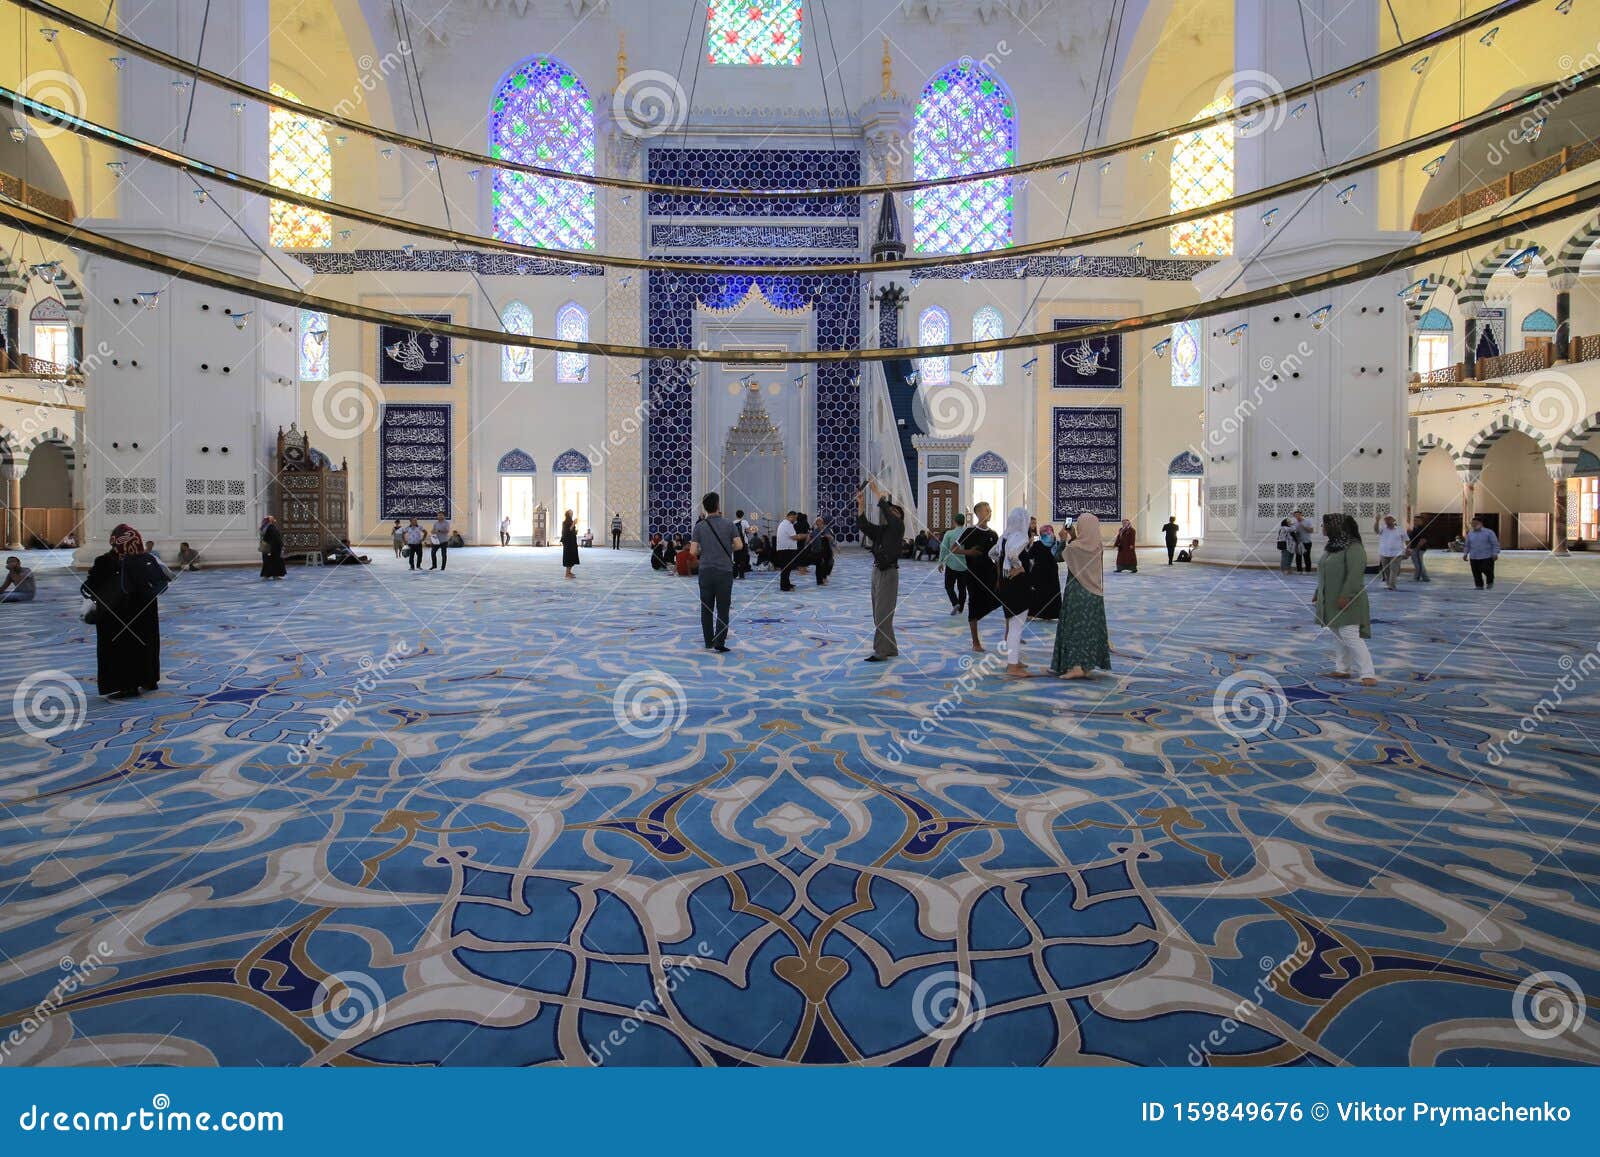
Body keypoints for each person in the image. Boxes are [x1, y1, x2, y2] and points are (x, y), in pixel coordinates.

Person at [80, 524, 162, 698]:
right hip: (145, 614)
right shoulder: (145, 559)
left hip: (116, 615)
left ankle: (127, 686)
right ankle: (149, 679)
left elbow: (92, 586)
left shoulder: (106, 561)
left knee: (121, 648)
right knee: (146, 643)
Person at [1313, 513, 1376, 684]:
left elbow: (1355, 575)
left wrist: (1346, 596)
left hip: (1348, 599)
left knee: (1349, 634)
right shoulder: (1332, 547)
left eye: (1325, 525)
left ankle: (1368, 673)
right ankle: (1342, 669)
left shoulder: (1354, 548)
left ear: (1336, 527)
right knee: (1339, 634)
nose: (1322, 528)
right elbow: (1325, 571)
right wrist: (1318, 592)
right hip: (1331, 599)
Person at [1051, 513, 1110, 680]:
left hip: (1077, 593)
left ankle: (1076, 666)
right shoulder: (1098, 546)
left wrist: (1063, 539)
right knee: (1090, 630)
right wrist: (1074, 537)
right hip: (1095, 594)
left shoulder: (1074, 547)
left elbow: (1058, 557)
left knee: (1075, 629)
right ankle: (1086, 666)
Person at [856, 479, 904, 662]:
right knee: (879, 613)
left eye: (895, 511)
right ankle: (890, 647)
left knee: (883, 613)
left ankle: (881, 651)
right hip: (876, 572)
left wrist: (878, 495)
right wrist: (861, 505)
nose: (891, 513)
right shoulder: (882, 531)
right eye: (890, 510)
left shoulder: (898, 527)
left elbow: (890, 515)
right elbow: (864, 526)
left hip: (889, 573)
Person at [689, 491, 743, 653]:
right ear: (718, 505)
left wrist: (704, 551)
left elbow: (693, 551)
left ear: (704, 507)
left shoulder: (699, 526)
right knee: (723, 607)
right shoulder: (729, 524)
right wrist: (727, 548)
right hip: (724, 571)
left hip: (705, 571)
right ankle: (719, 640)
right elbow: (739, 546)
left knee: (706, 608)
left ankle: (708, 641)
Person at [991, 507, 1035, 678]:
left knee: (1014, 626)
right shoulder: (1021, 538)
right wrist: (1019, 567)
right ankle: (1012, 666)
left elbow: (993, 553)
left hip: (1006, 586)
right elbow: (1012, 555)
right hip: (1018, 588)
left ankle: (1014, 659)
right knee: (1016, 627)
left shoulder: (1004, 538)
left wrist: (1004, 568)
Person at [958, 502, 1000, 652]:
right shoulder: (969, 531)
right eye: (986, 510)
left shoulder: (993, 534)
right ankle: (975, 642)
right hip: (973, 575)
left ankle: (1011, 635)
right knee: (974, 606)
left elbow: (997, 558)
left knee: (1000, 600)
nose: (990, 512)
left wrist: (999, 576)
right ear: (978, 513)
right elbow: (953, 549)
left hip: (991, 574)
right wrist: (969, 553)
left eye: (990, 509)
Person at [1024, 524, 1061, 620]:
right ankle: (1051, 614)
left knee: (1038, 593)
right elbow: (1060, 557)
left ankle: (1035, 613)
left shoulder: (1037, 544)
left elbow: (1029, 556)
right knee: (1051, 593)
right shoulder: (1055, 544)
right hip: (1052, 573)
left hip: (1038, 573)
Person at [938, 514, 968, 615]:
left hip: (951, 564)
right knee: (962, 588)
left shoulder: (949, 534)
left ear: (954, 522)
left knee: (949, 586)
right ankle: (961, 609)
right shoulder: (968, 533)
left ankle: (955, 603)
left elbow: (943, 548)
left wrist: (941, 562)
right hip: (965, 565)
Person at [1463, 516, 1500, 589]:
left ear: (1481, 523)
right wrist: (1465, 554)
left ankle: (1490, 582)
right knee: (1476, 572)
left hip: (1487, 556)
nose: (1473, 525)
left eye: (1476, 523)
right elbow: (1467, 545)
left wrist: (1495, 553)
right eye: (1472, 523)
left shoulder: (1489, 532)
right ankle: (1479, 585)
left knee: (1487, 570)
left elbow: (1495, 544)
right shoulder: (1470, 534)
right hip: (1474, 556)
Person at [776, 511, 805, 591]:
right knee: (786, 569)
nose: (795, 520)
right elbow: (794, 537)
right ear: (791, 516)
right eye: (795, 518)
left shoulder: (785, 524)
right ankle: (784, 587)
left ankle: (787, 583)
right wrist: (805, 535)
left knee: (787, 569)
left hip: (785, 549)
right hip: (786, 550)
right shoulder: (787, 525)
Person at [1377, 515, 1406, 591]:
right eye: (1386, 520)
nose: (1387, 521)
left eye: (1389, 519)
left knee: (1394, 569)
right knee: (1386, 570)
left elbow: (1406, 539)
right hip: (1384, 552)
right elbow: (1376, 530)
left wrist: (1407, 549)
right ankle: (1389, 583)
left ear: (1393, 520)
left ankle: (1392, 585)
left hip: (1397, 553)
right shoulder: (1382, 529)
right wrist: (1376, 521)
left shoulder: (1400, 529)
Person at [809, 516, 836, 586]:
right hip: (818, 551)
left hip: (827, 550)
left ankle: (825, 576)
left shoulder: (828, 530)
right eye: (817, 522)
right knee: (821, 565)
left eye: (820, 522)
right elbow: (809, 540)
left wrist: (834, 547)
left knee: (830, 563)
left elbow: (832, 539)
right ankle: (821, 579)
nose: (819, 523)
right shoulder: (814, 532)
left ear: (822, 523)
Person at [259, 515, 286, 580]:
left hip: (266, 547)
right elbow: (276, 538)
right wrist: (281, 545)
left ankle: (266, 575)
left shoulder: (264, 527)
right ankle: (275, 575)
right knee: (275, 561)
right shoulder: (271, 528)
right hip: (273, 548)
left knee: (267, 561)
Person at [733, 509, 752, 578]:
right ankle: (741, 575)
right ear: (743, 515)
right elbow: (748, 531)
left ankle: (734, 574)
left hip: (735, 543)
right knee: (743, 559)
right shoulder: (744, 522)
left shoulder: (733, 522)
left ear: (736, 515)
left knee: (736, 559)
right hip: (743, 542)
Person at [561, 509, 580, 579]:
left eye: (572, 513)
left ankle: (569, 572)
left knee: (573, 557)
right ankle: (567, 573)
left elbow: (571, 531)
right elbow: (567, 531)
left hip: (572, 542)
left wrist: (575, 532)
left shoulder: (571, 522)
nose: (572, 514)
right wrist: (574, 524)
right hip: (568, 543)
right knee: (569, 557)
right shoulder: (565, 522)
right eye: (570, 513)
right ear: (567, 514)